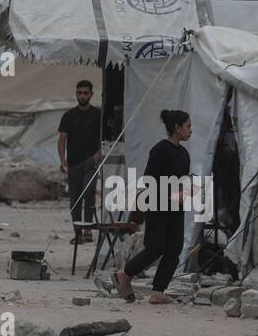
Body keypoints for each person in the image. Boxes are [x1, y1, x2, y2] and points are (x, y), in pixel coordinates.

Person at [114, 109, 192, 306]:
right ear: (176, 128)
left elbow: (181, 179)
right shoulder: (160, 150)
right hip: (158, 206)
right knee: (156, 247)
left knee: (174, 248)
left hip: (176, 207)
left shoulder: (183, 153)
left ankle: (158, 292)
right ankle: (125, 273)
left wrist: (189, 190)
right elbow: (150, 181)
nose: (191, 130)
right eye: (188, 126)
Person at [58, 79, 102, 244]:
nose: (82, 96)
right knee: (75, 198)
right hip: (73, 163)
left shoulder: (98, 115)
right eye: (80, 93)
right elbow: (62, 138)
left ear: (91, 94)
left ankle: (88, 230)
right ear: (76, 93)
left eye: (85, 93)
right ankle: (77, 232)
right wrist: (63, 161)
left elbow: (104, 138)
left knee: (89, 193)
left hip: (90, 162)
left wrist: (96, 156)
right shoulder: (69, 116)